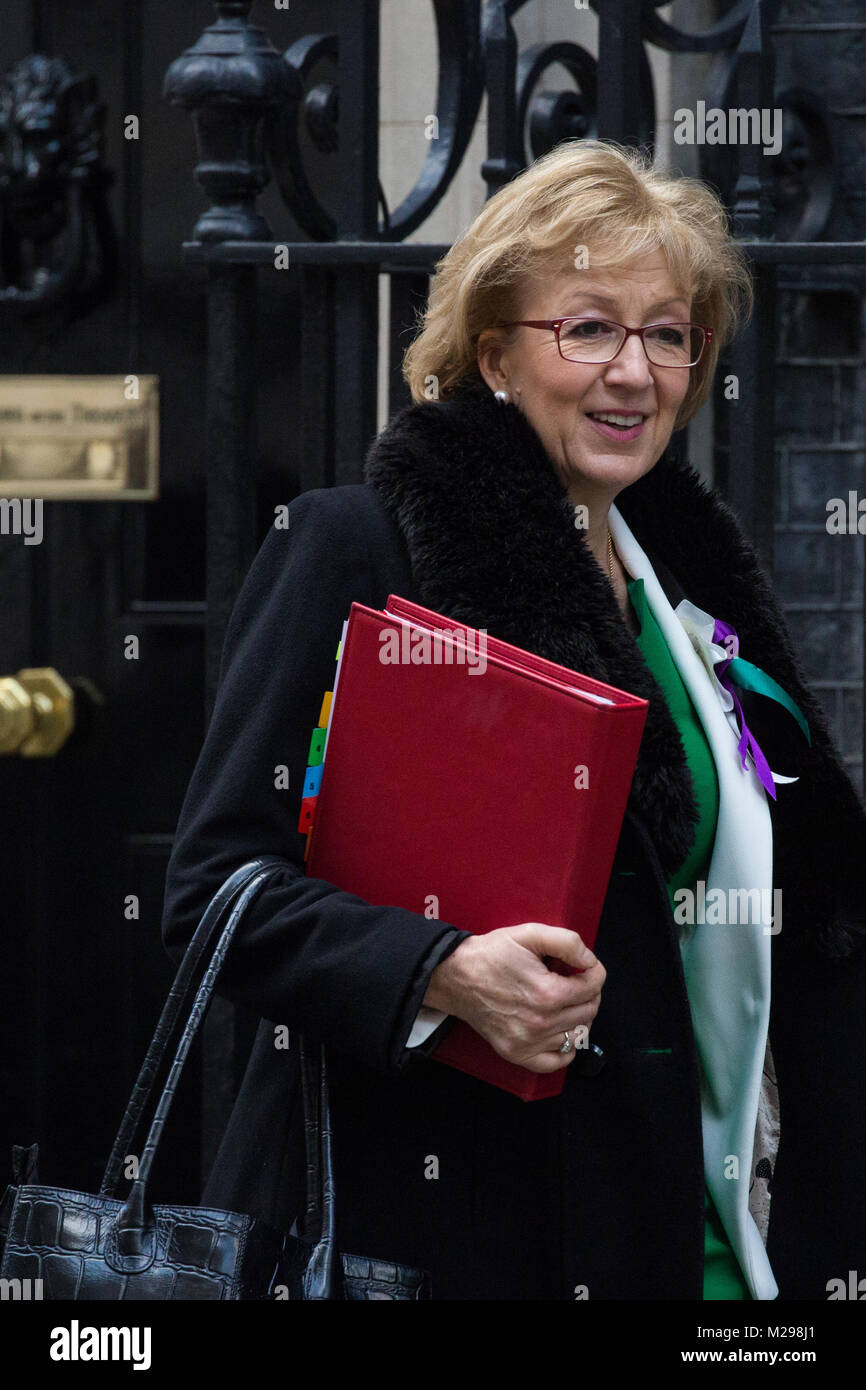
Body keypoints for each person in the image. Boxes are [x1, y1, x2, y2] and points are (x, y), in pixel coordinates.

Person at [161, 139, 866, 1300]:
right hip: (465, 1239)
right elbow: (213, 890)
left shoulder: (691, 591)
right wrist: (438, 968)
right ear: (491, 354)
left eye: (667, 333)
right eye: (586, 328)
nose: (632, 371)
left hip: (702, 1237)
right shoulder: (360, 549)